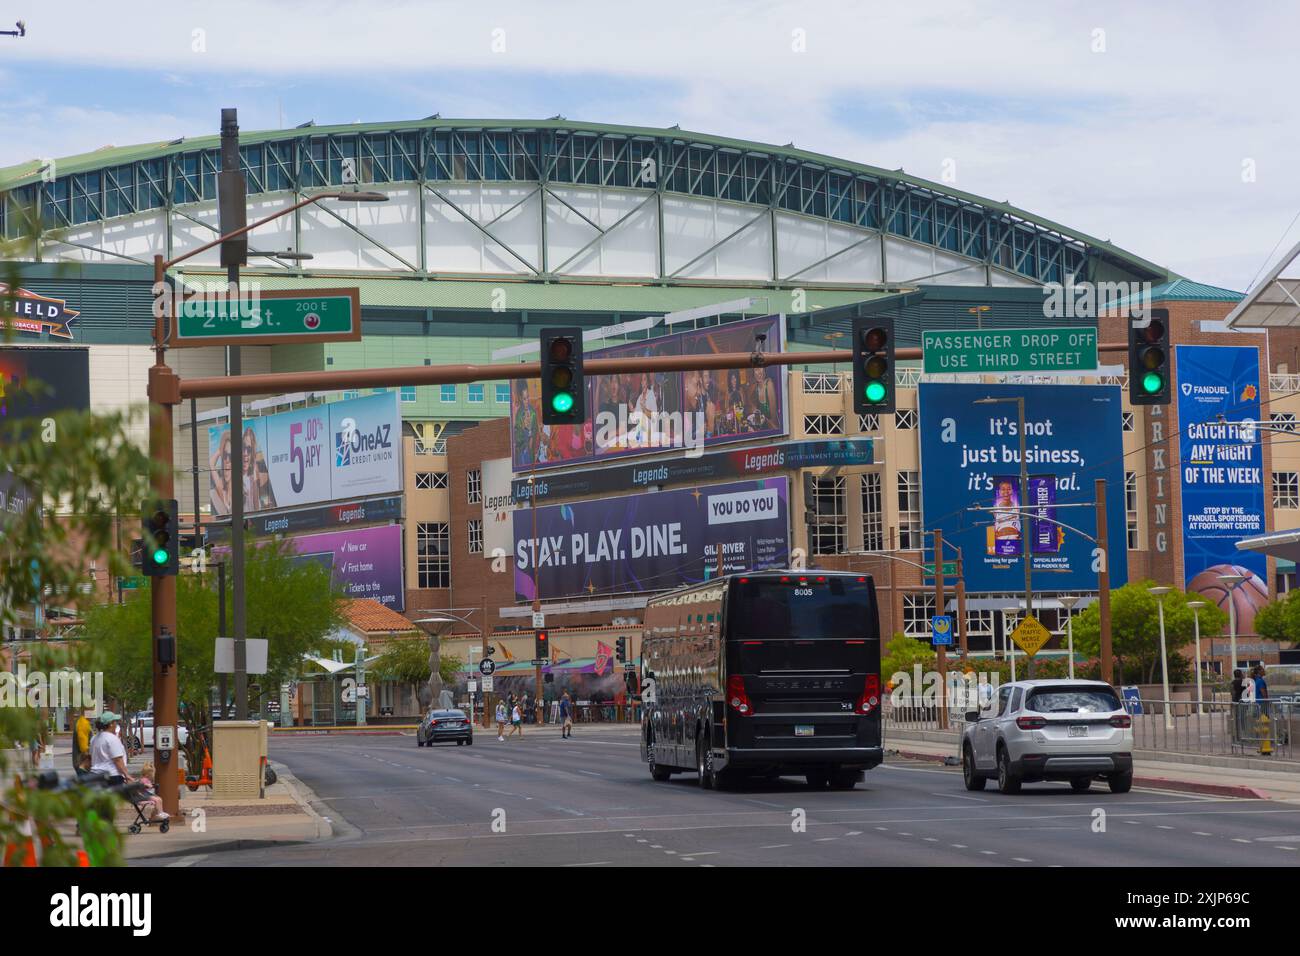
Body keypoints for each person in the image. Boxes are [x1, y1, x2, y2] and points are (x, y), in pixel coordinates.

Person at [89, 712, 131, 781]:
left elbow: (91, 756)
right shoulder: (112, 738)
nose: (116, 724)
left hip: (96, 774)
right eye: (115, 722)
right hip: (112, 775)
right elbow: (118, 759)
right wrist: (126, 775)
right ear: (111, 724)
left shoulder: (94, 738)